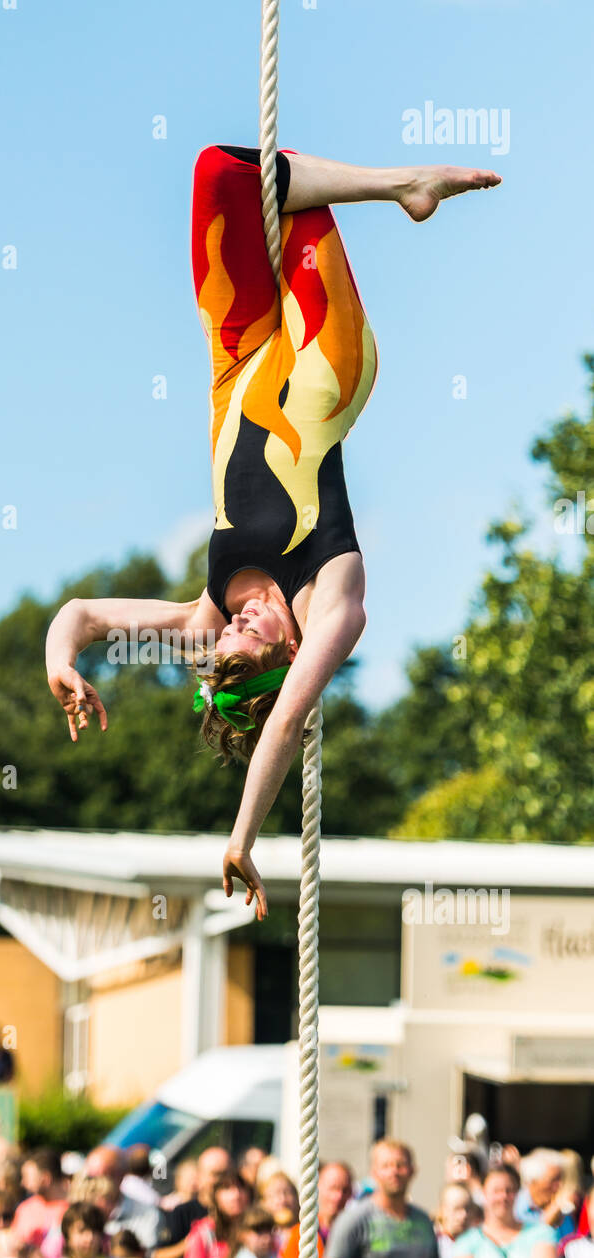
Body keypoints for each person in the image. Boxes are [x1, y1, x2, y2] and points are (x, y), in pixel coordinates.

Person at [45, 143, 500, 917]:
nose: (236, 620)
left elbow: (83, 618)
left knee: (222, 171)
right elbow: (285, 718)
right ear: (288, 655)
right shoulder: (331, 599)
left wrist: (61, 662)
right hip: (324, 369)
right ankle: (406, 186)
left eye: (225, 635)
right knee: (298, 198)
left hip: (236, 363)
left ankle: (405, 188)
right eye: (250, 636)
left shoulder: (206, 616)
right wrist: (240, 839)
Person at [324, 1140, 442, 1258]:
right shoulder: (354, 1220)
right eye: (386, 1166)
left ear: (413, 1171)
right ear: (374, 1173)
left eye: (400, 1165)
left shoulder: (423, 1221)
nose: (394, 1171)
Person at [450, 1164, 559, 1258]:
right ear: (483, 1193)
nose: (503, 1197)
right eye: (496, 1191)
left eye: (509, 1190)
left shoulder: (541, 1232)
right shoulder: (467, 1241)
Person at [153, 1146, 231, 1258]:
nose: (222, 1180)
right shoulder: (182, 1212)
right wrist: (196, 1242)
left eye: (227, 1174)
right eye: (215, 1174)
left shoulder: (239, 1212)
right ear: (199, 1177)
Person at [183, 1171, 251, 1258]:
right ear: (216, 1197)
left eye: (240, 1188)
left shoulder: (259, 1232)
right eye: (227, 1188)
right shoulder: (204, 1234)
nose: (236, 1195)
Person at [83, 1146, 161, 1252]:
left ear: (121, 1175)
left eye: (104, 1175)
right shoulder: (78, 1213)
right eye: (89, 1177)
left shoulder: (148, 1214)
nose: (93, 1184)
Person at [12, 1148, 69, 1246]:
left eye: (27, 1177)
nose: (23, 1183)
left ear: (46, 1179)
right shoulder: (25, 1209)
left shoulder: (73, 1210)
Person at [516, 1149, 576, 1241]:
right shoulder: (513, 1208)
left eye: (561, 1179)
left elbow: (571, 1245)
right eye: (553, 1180)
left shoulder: (562, 1211)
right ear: (533, 1181)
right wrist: (546, 1225)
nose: (560, 1185)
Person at [435, 1182, 479, 1258]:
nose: (464, 1215)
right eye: (457, 1209)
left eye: (467, 1208)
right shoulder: (434, 1245)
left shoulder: (481, 1243)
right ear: (443, 1210)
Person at [318, 1161, 354, 1242]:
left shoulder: (354, 1233)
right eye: (333, 1188)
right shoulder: (302, 1232)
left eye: (345, 1190)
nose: (339, 1196)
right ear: (318, 1187)